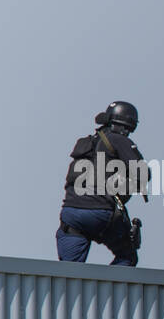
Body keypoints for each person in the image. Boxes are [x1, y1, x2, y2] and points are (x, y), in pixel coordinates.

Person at [57, 101, 147, 266]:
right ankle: (110, 290)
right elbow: (143, 173)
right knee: (127, 256)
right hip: (101, 213)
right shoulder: (118, 140)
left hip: (71, 214)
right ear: (126, 127)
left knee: (69, 273)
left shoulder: (85, 143)